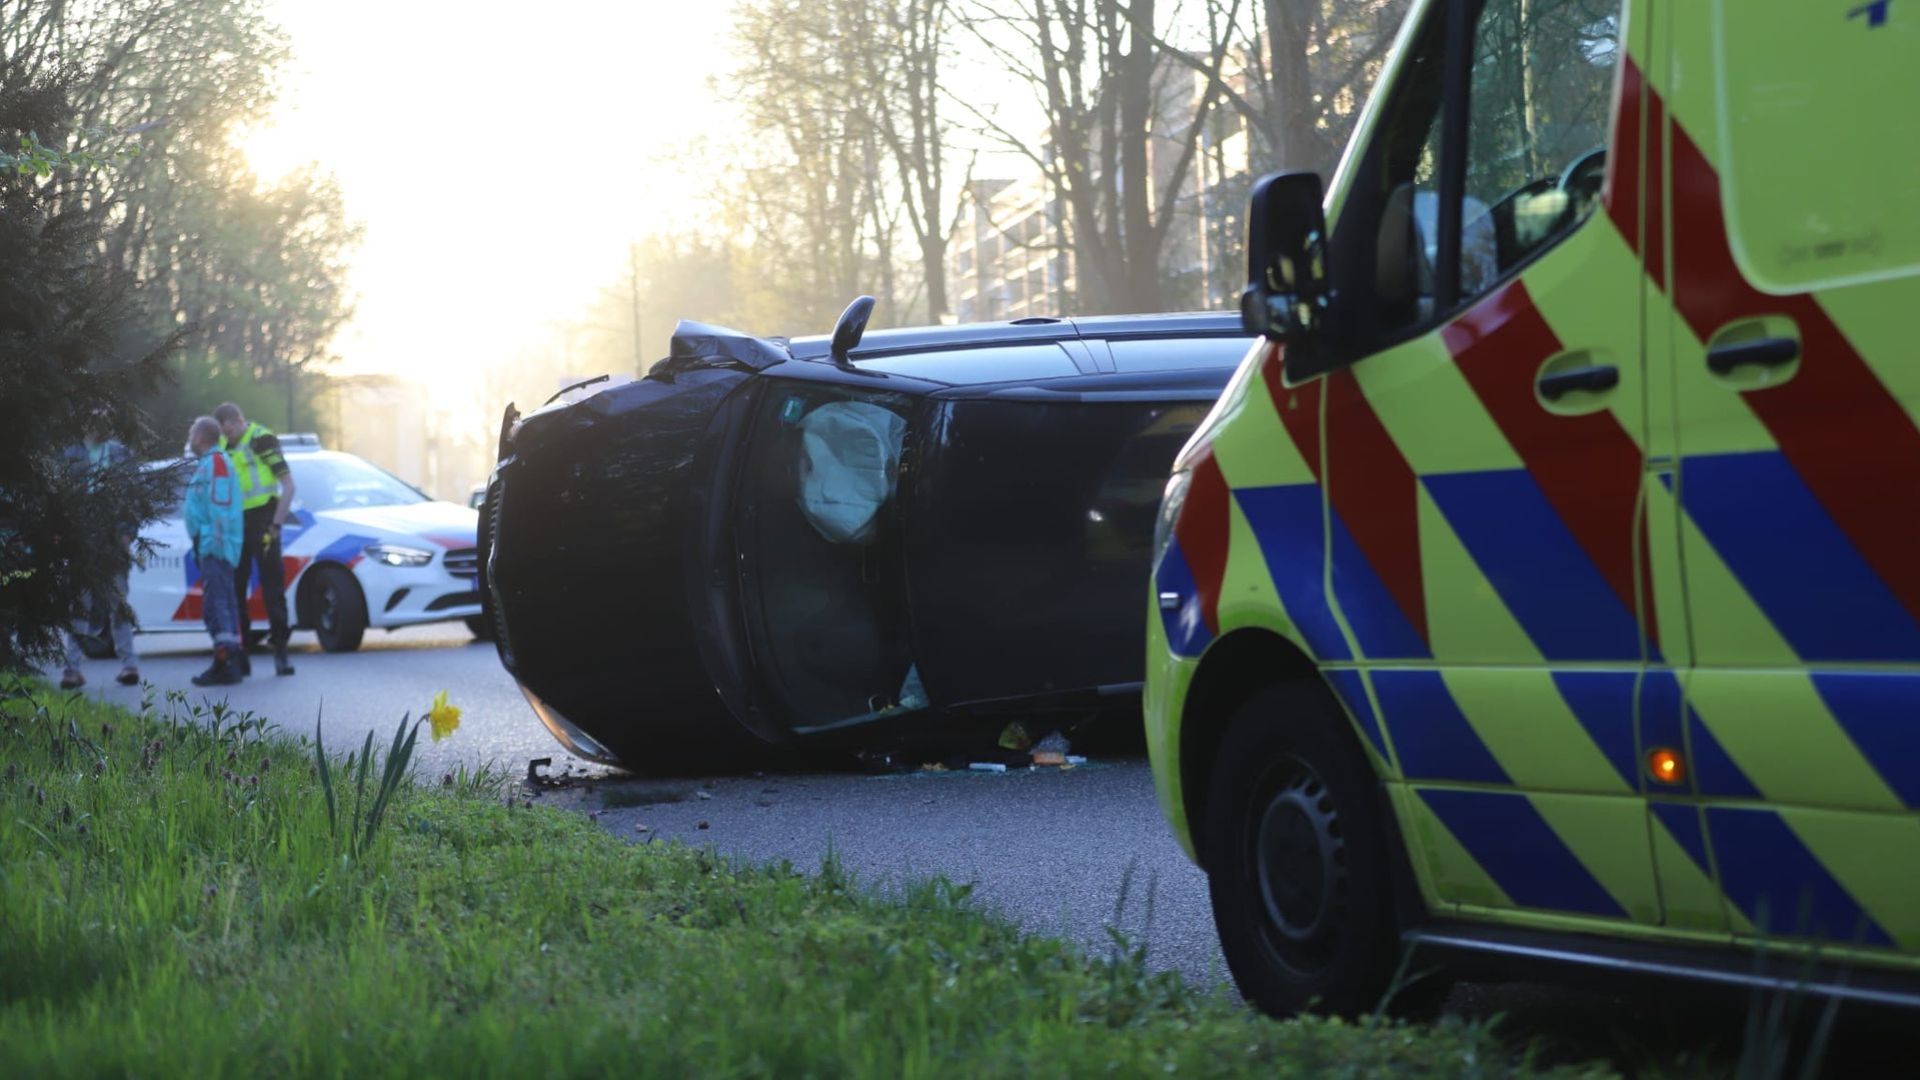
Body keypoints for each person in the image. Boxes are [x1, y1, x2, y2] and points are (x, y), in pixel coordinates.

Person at [214, 403, 297, 676]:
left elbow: (288, 484)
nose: (230, 437)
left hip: (264, 520)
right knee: (235, 590)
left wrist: (276, 524)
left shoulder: (262, 439)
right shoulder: (224, 447)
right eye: (224, 433)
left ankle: (281, 654)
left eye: (231, 430)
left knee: (273, 589)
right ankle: (243, 654)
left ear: (240, 420)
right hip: (237, 524)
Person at [58, 409, 139, 689]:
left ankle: (129, 665)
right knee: (80, 605)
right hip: (82, 542)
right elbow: (62, 500)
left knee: (118, 604)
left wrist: (127, 533)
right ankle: (72, 668)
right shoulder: (71, 456)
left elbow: (132, 497)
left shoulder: (120, 455)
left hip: (113, 541)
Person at [184, 417, 246, 687]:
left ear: (200, 436)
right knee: (220, 603)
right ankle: (230, 658)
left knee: (217, 605)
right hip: (211, 544)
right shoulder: (211, 463)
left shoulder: (217, 462)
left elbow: (219, 507)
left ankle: (226, 662)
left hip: (215, 546)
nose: (189, 438)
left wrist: (212, 544)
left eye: (191, 433)